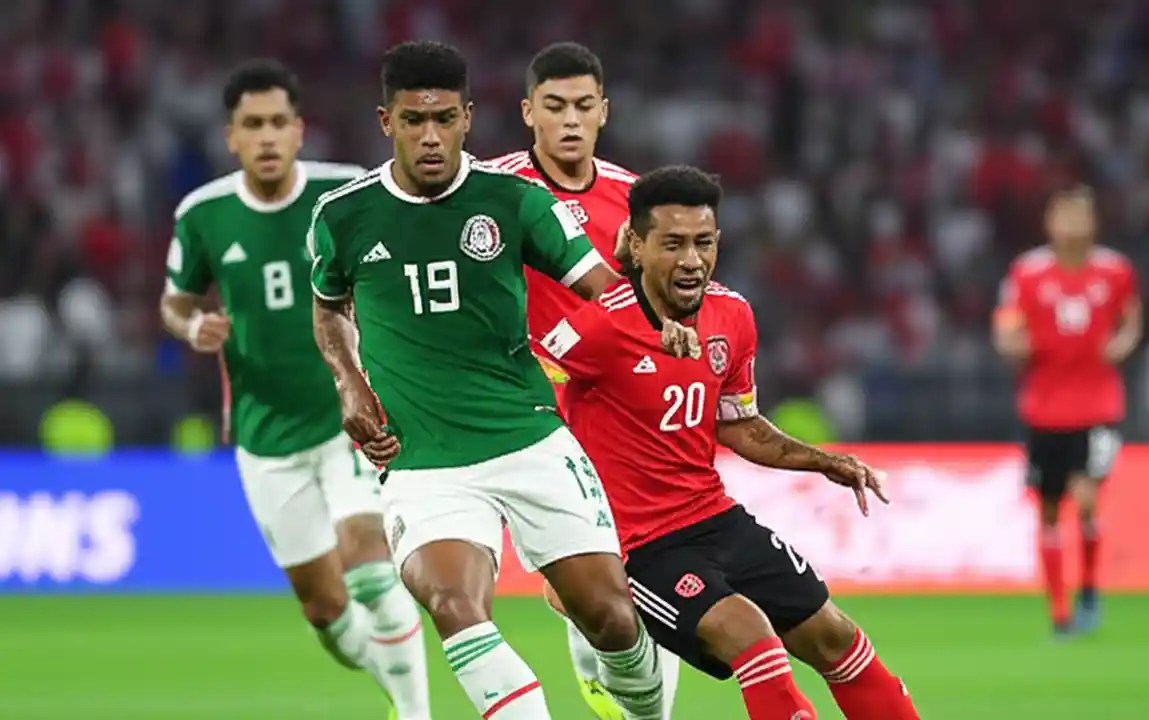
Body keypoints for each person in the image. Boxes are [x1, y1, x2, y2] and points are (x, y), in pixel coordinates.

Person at [308, 41, 694, 720]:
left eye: (445, 119)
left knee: (609, 616)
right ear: (387, 121)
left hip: (529, 438)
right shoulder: (342, 215)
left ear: (468, 118)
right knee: (453, 602)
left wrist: (659, 318)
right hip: (423, 459)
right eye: (413, 120)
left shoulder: (513, 200)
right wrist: (348, 381)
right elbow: (329, 307)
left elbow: (600, 286)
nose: (431, 136)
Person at [541, 165, 921, 719]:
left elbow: (739, 424)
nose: (691, 260)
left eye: (703, 242)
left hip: (716, 518)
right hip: (641, 547)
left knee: (837, 637)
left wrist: (823, 461)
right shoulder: (600, 326)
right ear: (637, 247)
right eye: (673, 244)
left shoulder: (732, 315)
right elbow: (524, 382)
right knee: (752, 637)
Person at [159, 59, 430, 718]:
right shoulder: (204, 215)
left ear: (299, 129)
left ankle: (415, 712)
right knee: (325, 610)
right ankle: (393, 680)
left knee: (372, 571)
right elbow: (174, 300)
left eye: (278, 122)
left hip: (349, 420)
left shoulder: (344, 194)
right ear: (231, 137)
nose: (267, 136)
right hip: (266, 438)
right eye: (253, 125)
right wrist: (192, 325)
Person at [486, 41, 680, 720]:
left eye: (582, 106)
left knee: (652, 565)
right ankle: (596, 662)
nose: (569, 120)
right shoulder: (493, 191)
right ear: (527, 113)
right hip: (532, 406)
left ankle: (643, 706)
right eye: (554, 106)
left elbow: (673, 298)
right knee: (576, 581)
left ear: (604, 112)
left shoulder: (635, 199)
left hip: (623, 406)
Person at [992, 186, 1142, 637]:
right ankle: (1059, 609)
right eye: (1064, 215)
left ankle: (1090, 589)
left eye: (1080, 215)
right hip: (1043, 408)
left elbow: (1132, 319)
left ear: (1093, 222)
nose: (1072, 224)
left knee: (1088, 497)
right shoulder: (1027, 272)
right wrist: (1013, 344)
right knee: (1050, 508)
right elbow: (1007, 324)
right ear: (1049, 222)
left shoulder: (1114, 271)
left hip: (1098, 404)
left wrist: (1124, 343)